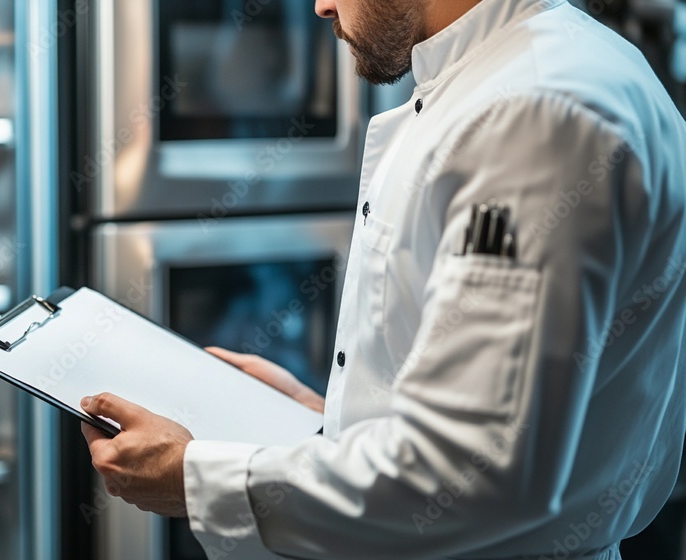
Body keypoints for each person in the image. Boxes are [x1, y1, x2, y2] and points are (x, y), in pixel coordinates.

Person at [80, 0, 686, 557]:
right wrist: (328, 423)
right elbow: (501, 418)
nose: (321, 6)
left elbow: (472, 473)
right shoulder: (538, 71)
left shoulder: (532, 112)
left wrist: (195, 477)